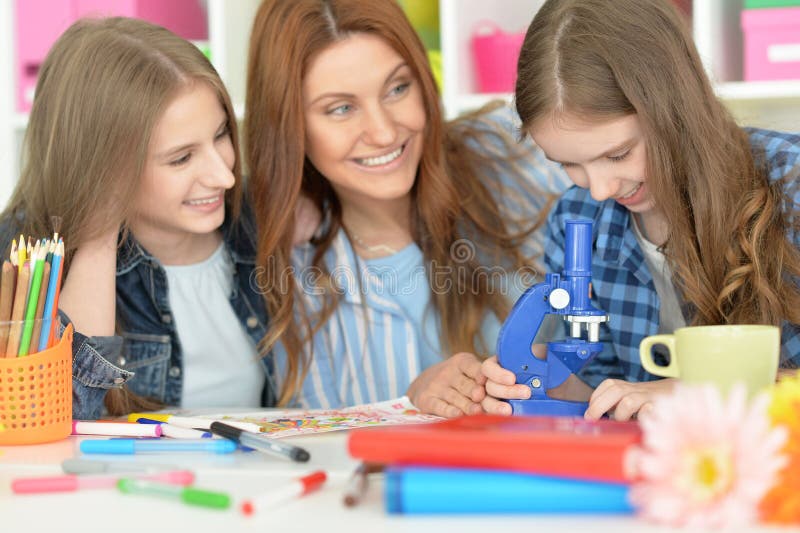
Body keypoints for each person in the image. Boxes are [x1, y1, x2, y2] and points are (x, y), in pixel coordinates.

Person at [245, 0, 569, 416]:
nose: (383, 132)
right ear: (290, 127)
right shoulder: (292, 265)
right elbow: (318, 440)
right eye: (341, 109)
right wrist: (411, 402)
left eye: (398, 88)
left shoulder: (512, 153)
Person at [481, 0, 800, 421]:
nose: (598, 190)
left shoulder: (790, 186)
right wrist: (541, 381)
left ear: (674, 108)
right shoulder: (577, 219)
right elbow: (606, 393)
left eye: (618, 154)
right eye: (568, 163)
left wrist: (700, 395)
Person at [0, 17, 278, 420]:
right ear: (104, 169)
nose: (225, 176)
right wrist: (98, 234)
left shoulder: (258, 216)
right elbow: (57, 417)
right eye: (181, 158)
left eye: (220, 135)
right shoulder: (23, 258)